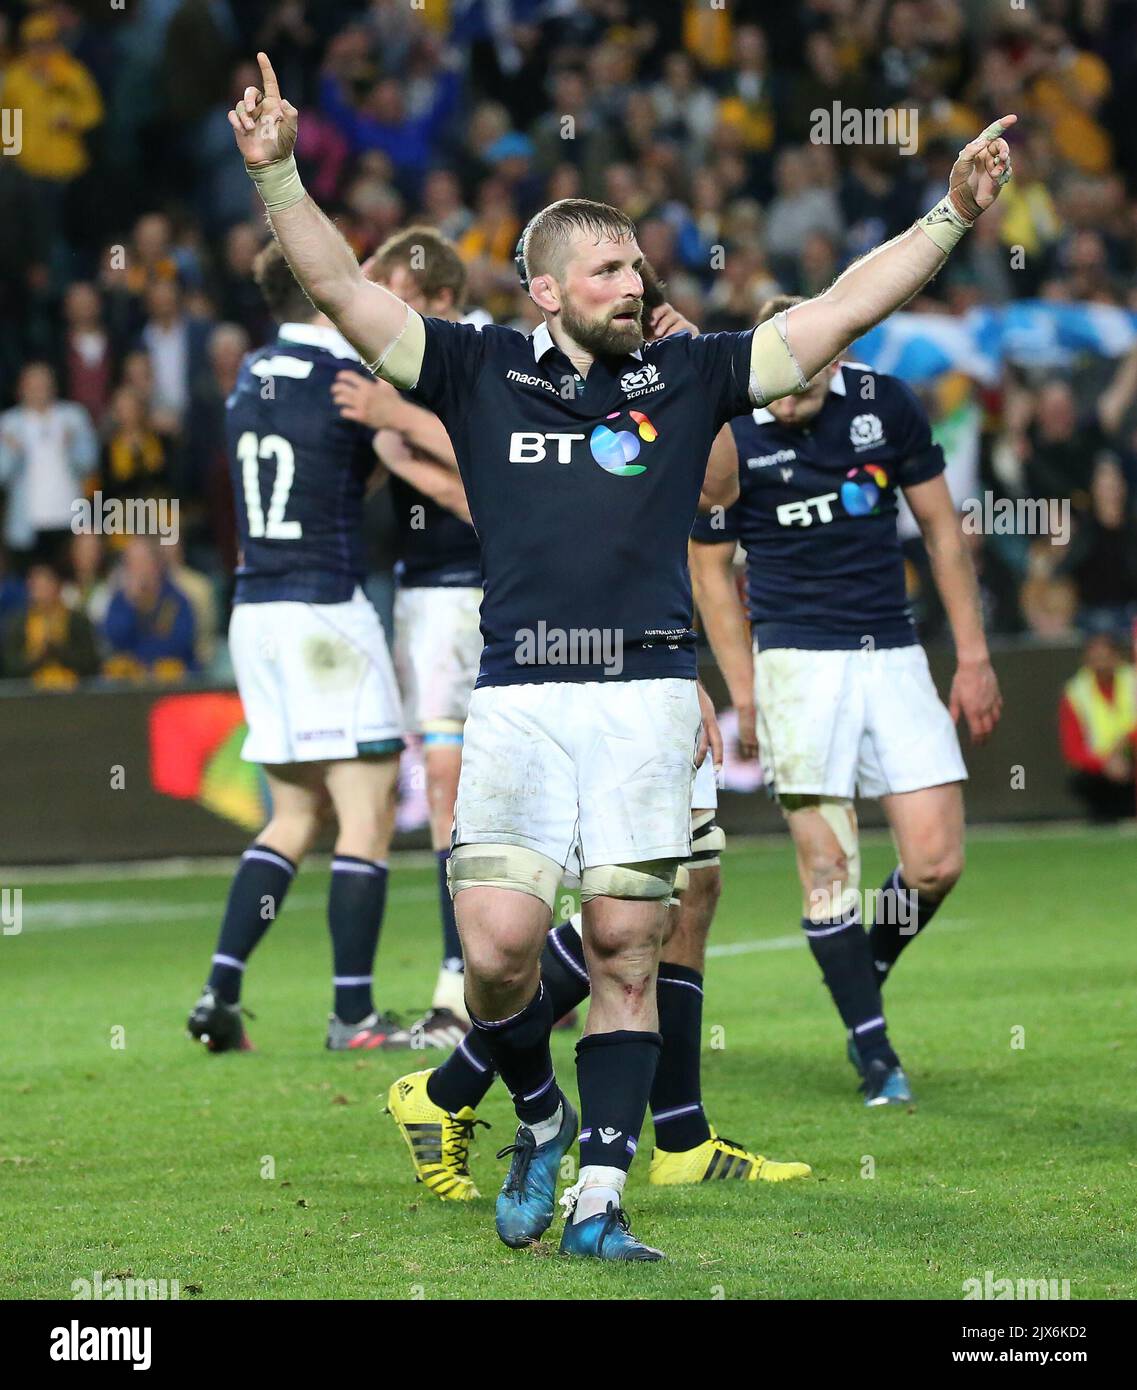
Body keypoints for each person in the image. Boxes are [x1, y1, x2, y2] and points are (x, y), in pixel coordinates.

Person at [228, 50, 1014, 1260]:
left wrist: (951, 216)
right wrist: (279, 174)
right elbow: (343, 291)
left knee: (621, 944)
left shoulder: (690, 373)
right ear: (547, 290)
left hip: (648, 691)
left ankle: (602, 1200)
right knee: (494, 952)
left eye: (639, 264)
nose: (636, 282)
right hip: (521, 693)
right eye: (608, 268)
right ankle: (536, 1116)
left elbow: (845, 309)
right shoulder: (475, 368)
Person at [386, 274, 811, 1197]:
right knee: (633, 915)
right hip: (575, 678)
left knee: (683, 897)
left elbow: (718, 497)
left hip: (654, 670)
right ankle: (477, 1090)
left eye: (639, 288)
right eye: (613, 282)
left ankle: (671, 1134)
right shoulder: (525, 388)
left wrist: (699, 373)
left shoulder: (672, 380)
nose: (630, 301)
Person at [690, 294, 1003, 1107]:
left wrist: (971, 657)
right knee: (827, 868)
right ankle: (874, 1053)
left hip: (894, 654)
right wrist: (746, 689)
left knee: (935, 863)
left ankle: (854, 974)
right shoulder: (732, 432)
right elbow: (709, 573)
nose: (786, 393)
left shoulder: (884, 402)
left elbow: (940, 530)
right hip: (797, 664)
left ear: (835, 356)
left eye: (804, 373)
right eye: (776, 377)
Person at [185, 240, 405, 1055]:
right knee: (367, 810)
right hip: (324, 612)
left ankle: (220, 991)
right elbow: (377, 464)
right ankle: (352, 1014)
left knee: (293, 814)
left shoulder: (246, 378)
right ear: (321, 286)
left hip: (257, 611)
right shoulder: (345, 379)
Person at [330, 227, 484, 1051]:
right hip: (425, 598)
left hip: (477, 597)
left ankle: (466, 990)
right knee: (453, 793)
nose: (379, 321)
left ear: (441, 300)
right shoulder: (411, 376)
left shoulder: (484, 361)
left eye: (395, 301)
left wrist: (400, 428)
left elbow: (500, 499)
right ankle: (495, 979)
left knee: (461, 793)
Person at [1059, 631, 1135, 822]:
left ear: (1117, 658)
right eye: (1095, 659)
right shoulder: (1076, 693)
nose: (1101, 665)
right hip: (1100, 773)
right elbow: (1073, 750)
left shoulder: (1132, 682)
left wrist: (1126, 743)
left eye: (1105, 658)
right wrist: (1106, 763)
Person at [102, 536, 197, 681]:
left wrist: (143, 659)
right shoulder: (121, 600)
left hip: (172, 679)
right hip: (129, 681)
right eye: (131, 563)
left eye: (141, 562)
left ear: (156, 564)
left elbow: (180, 644)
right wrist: (131, 604)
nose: (136, 569)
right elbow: (114, 640)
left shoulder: (175, 599)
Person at [1, 561, 98, 688]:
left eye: (46, 586)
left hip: (73, 693)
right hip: (26, 695)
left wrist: (57, 649)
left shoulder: (78, 620)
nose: (41, 593)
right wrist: (38, 656)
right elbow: (9, 667)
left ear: (57, 587)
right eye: (37, 587)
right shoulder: (16, 622)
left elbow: (90, 663)